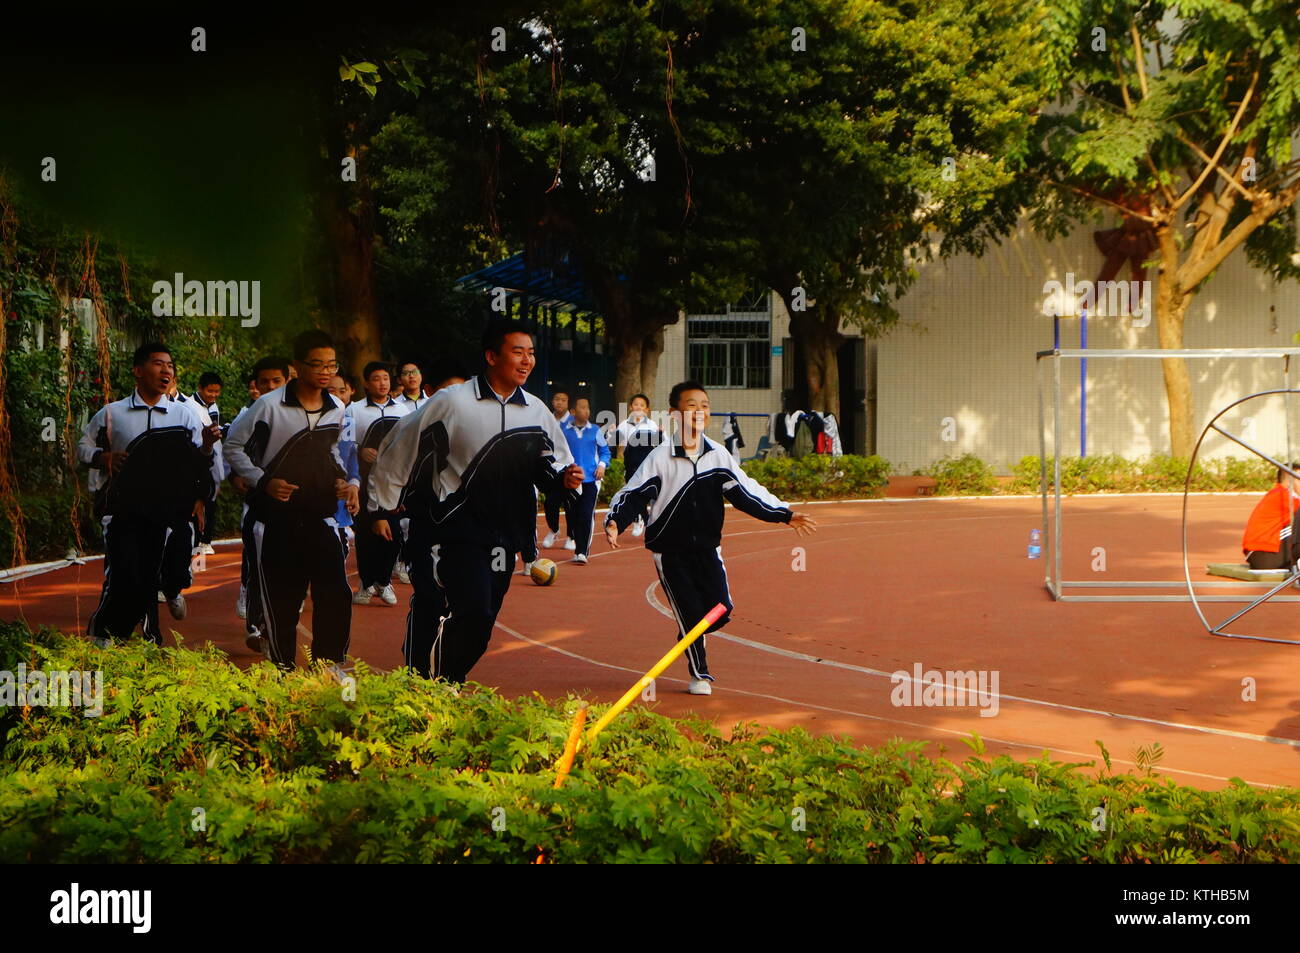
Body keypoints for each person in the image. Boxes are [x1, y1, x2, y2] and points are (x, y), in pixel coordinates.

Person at [368, 319, 582, 684]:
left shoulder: (536, 410)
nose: (527, 360)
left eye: (531, 353)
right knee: (465, 607)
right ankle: (430, 681)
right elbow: (402, 442)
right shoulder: (452, 401)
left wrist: (564, 479)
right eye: (518, 352)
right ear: (491, 356)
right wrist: (381, 505)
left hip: (504, 533)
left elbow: (552, 462)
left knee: (483, 620)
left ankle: (447, 679)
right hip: (455, 526)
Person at [604, 380, 818, 695]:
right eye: (692, 405)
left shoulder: (718, 456)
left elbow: (747, 492)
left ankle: (690, 633)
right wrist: (614, 521)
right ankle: (700, 674)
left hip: (707, 550)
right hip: (670, 553)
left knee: (721, 608)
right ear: (675, 414)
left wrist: (784, 513)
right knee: (691, 613)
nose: (700, 411)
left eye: (704, 405)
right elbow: (633, 494)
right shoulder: (660, 457)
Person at [223, 331, 359, 671]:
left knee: (335, 591)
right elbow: (233, 447)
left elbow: (332, 451)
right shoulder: (267, 406)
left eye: (331, 365)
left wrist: (342, 480)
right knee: (283, 597)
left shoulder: (337, 408)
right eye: (317, 365)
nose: (326, 372)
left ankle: (328, 662)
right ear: (297, 367)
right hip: (277, 517)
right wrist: (263, 482)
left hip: (319, 514)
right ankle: (282, 665)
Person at [79, 343, 218, 646]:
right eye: (158, 364)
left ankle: (153, 623)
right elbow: (82, 448)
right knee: (126, 575)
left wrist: (206, 452)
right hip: (123, 509)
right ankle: (105, 637)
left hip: (169, 510)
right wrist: (104, 458)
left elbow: (200, 462)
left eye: (169, 365)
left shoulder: (185, 415)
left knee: (158, 574)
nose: (166, 370)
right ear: (138, 371)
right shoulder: (112, 414)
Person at [369, 360, 468, 677]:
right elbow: (387, 471)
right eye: (447, 391)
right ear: (430, 392)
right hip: (423, 526)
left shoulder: (477, 430)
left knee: (466, 603)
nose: (454, 398)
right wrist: (383, 512)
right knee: (430, 597)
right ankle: (415, 668)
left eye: (462, 391)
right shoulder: (410, 426)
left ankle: (448, 672)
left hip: (467, 530)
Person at [232, 356, 291, 650]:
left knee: (288, 571)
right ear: (255, 385)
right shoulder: (253, 414)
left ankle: (278, 628)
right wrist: (253, 478)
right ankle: (257, 626)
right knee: (259, 567)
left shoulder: (304, 412)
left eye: (276, 381)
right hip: (260, 507)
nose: (270, 386)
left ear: (287, 380)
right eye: (264, 381)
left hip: (297, 507)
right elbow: (234, 448)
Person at [351, 361, 411, 605]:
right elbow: (344, 445)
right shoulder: (354, 411)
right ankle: (366, 584)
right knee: (366, 535)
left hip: (394, 483)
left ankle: (384, 581)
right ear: (366, 383)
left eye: (386, 378)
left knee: (394, 534)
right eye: (376, 378)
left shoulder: (404, 412)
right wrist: (360, 451)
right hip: (365, 482)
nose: (382, 383)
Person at [560, 396, 610, 565]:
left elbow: (605, 451)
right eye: (582, 407)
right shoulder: (562, 430)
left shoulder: (596, 430)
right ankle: (574, 538)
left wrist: (602, 466)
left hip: (590, 480)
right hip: (570, 480)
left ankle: (582, 551)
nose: (586, 411)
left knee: (586, 514)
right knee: (572, 515)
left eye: (588, 407)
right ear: (573, 411)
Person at [611, 393, 663, 537]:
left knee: (642, 492)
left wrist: (660, 433)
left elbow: (661, 443)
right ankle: (642, 518)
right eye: (636, 405)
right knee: (633, 492)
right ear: (630, 407)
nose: (638, 408)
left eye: (642, 405)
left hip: (646, 463)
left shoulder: (651, 425)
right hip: (631, 463)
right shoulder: (625, 424)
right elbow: (616, 440)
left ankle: (640, 519)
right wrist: (611, 433)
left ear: (647, 409)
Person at [1242, 463, 1300, 570]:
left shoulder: (1283, 495)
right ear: (1289, 481)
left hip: (1266, 554)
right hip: (1265, 555)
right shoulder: (1281, 496)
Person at [540, 388, 572, 548]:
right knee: (550, 503)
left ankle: (571, 536)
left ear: (568, 403)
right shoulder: (546, 420)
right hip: (551, 468)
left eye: (563, 399)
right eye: (556, 399)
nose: (559, 402)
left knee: (570, 504)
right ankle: (554, 529)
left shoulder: (574, 422)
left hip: (569, 468)